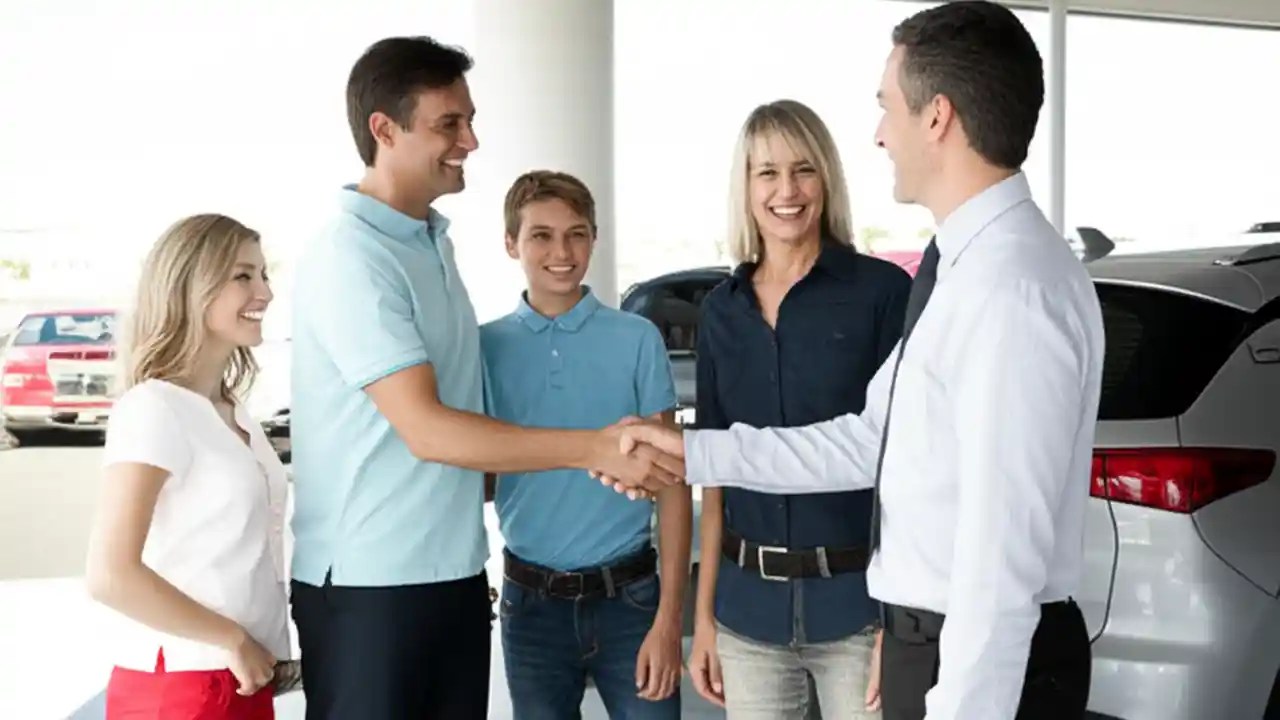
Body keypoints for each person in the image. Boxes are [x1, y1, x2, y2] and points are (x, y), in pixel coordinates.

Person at [605, 3, 1105, 719]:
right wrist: (689, 452)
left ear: (937, 118)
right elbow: (867, 443)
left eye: (887, 108)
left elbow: (1001, 563)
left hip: (965, 658)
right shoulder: (965, 269)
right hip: (921, 639)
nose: (878, 133)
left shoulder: (1010, 289)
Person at [287, 37, 682, 719]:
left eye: (469, 120)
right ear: (385, 129)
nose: (471, 139)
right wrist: (591, 448)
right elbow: (429, 430)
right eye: (449, 123)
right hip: (370, 588)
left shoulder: (432, 247)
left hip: (455, 579)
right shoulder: (349, 256)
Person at [685, 99, 909, 719]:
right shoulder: (722, 312)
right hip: (747, 617)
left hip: (862, 616)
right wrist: (703, 619)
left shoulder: (883, 294)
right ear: (746, 187)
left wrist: (903, 622)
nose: (787, 190)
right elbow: (716, 475)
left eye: (803, 170)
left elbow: (910, 469)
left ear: (827, 179)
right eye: (767, 173)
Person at [482, 170, 692, 718]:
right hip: (530, 606)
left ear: (594, 238)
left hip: (631, 599)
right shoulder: (485, 348)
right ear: (512, 244)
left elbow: (671, 486)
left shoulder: (636, 338)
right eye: (541, 235)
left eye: (577, 233)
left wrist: (670, 620)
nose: (562, 251)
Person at [85, 214, 290, 720]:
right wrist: (233, 639)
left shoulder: (234, 413)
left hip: (242, 679)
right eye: (243, 276)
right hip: (182, 687)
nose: (264, 292)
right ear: (190, 287)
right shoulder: (154, 407)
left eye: (264, 274)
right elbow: (110, 574)